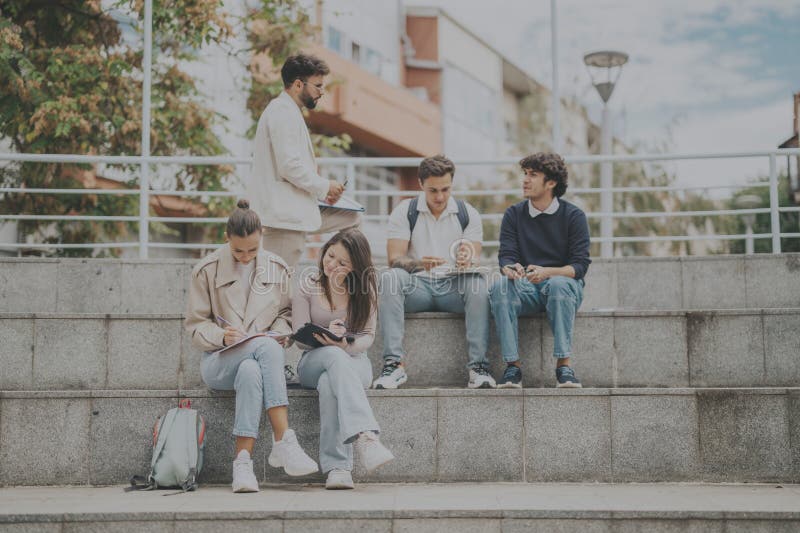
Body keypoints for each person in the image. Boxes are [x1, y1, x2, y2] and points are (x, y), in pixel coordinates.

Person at [185, 199, 318, 493]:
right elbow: (195, 326)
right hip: (218, 362)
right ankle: (283, 439)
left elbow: (285, 316)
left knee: (251, 370)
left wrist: (281, 332)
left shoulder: (278, 268)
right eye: (238, 250)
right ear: (226, 238)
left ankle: (242, 463)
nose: (245, 257)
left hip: (256, 362)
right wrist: (222, 336)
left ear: (263, 236)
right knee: (265, 351)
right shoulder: (206, 270)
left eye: (253, 250)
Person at [373, 154, 493, 389]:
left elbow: (474, 256)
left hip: (452, 288)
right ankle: (393, 366)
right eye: (433, 190)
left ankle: (478, 368)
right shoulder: (405, 211)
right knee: (389, 278)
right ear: (421, 185)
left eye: (445, 189)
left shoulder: (467, 214)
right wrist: (419, 264)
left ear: (452, 184)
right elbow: (394, 259)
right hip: (418, 288)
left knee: (477, 283)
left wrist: (465, 260)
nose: (440, 197)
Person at [293, 229, 394, 489]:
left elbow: (368, 336)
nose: (332, 265)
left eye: (342, 263)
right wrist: (323, 337)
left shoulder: (365, 289)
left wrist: (344, 342)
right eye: (330, 255)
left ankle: (338, 468)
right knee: (331, 359)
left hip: (354, 360)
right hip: (312, 361)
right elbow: (299, 336)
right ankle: (366, 436)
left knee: (330, 384)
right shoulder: (308, 285)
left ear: (355, 267)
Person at [247, 53, 360, 270]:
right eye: (317, 86)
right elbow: (289, 165)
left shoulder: (288, 111)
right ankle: (333, 269)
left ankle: (338, 272)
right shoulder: (282, 111)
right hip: (283, 218)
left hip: (294, 211)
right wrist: (325, 186)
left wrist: (323, 191)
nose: (321, 92)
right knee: (275, 288)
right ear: (298, 84)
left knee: (352, 218)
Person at [488, 153, 591, 388]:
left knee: (558, 284)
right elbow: (506, 256)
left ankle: (564, 366)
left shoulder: (574, 216)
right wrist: (510, 269)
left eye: (533, 175)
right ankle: (513, 368)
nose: (525, 180)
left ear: (551, 183)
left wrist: (548, 272)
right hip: (526, 286)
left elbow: (579, 266)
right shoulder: (514, 214)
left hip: (563, 286)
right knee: (500, 287)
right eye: (525, 174)